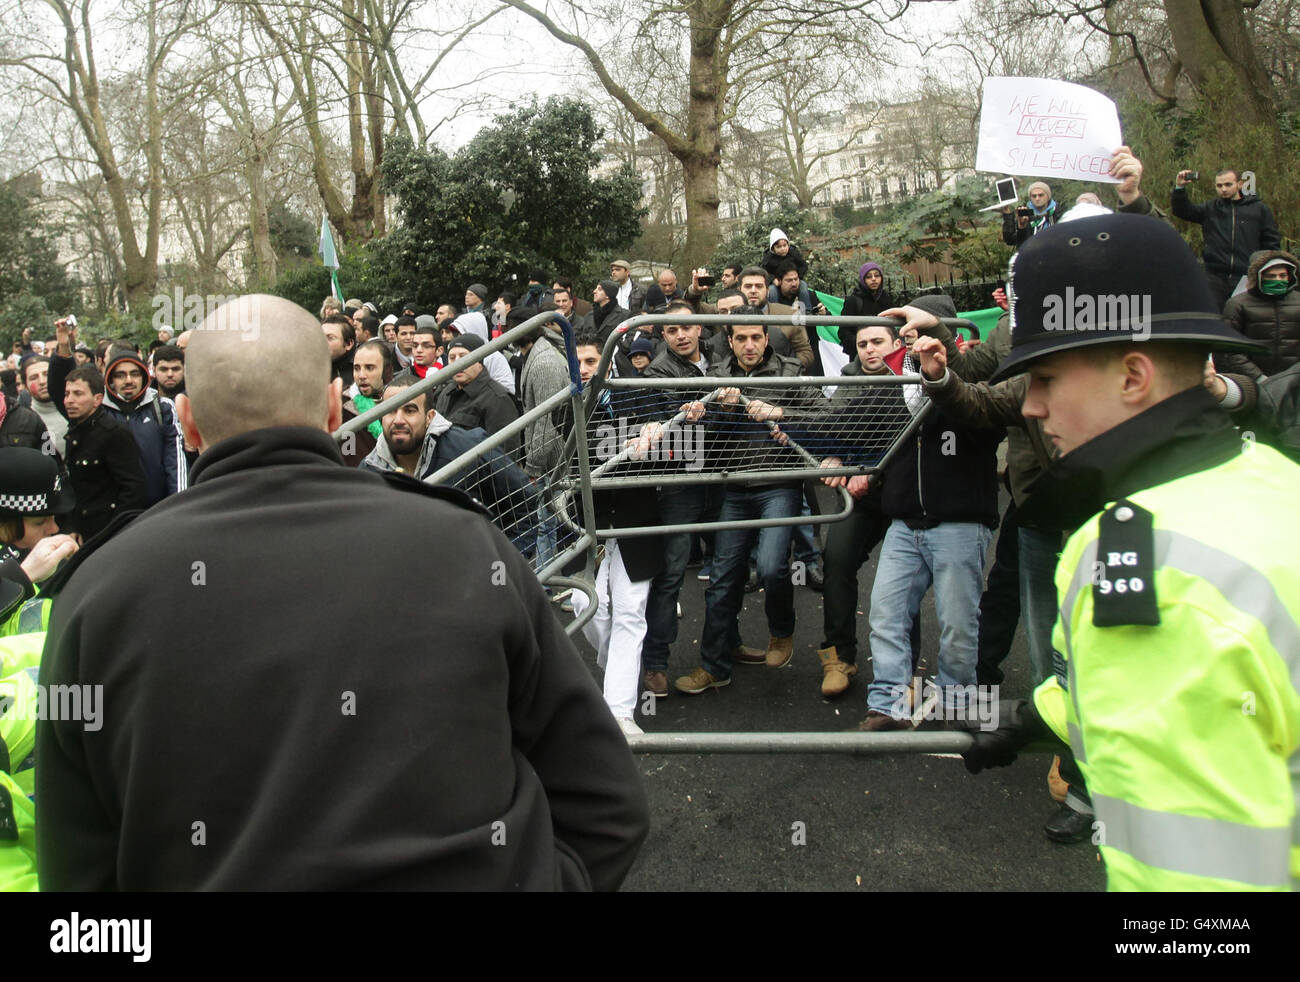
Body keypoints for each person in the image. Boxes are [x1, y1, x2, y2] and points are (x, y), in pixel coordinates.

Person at [35, 294, 648, 891]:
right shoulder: (465, 547)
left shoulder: (95, 596)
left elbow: (75, 876)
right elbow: (607, 804)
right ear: (336, 408)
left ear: (187, 422)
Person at [960, 213, 1300, 891]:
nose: (1030, 407)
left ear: (1134, 377)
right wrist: (1041, 716)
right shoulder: (1267, 477)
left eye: (1047, 378)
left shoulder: (1147, 559)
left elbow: (1194, 894)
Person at [673, 318, 826, 694]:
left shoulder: (789, 370)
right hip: (733, 487)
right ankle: (714, 666)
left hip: (778, 485)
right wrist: (706, 415)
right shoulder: (717, 375)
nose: (749, 344)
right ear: (730, 340)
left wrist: (781, 414)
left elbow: (825, 417)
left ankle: (781, 631)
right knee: (723, 579)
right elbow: (703, 440)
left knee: (774, 567)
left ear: (766, 338)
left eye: (756, 336)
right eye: (740, 338)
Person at [1171, 167, 1280, 311]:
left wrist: (1268, 271)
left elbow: (1271, 242)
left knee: (1243, 319)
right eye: (1219, 185)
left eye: (1228, 184)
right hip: (1214, 277)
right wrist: (1179, 188)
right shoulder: (1210, 208)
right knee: (1214, 317)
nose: (1223, 189)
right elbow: (1182, 211)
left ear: (1239, 184)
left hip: (1246, 277)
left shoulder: (1258, 209)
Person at [1218, 251, 1300, 379]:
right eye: (1271, 276)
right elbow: (1230, 348)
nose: (1278, 280)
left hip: (1292, 382)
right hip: (1251, 381)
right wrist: (1258, 378)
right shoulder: (1237, 304)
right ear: (1258, 277)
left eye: (1282, 275)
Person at [838, 262, 894, 356]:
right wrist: (862, 344)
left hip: (884, 353)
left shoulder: (885, 298)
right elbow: (843, 331)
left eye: (877, 276)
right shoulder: (853, 300)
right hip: (860, 355)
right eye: (868, 277)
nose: (873, 279)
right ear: (863, 279)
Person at [1002, 181, 1057, 247]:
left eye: (1041, 195)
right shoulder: (1025, 214)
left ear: (1048, 196)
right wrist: (1021, 226)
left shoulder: (1057, 211)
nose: (1037, 198)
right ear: (1030, 198)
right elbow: (1010, 240)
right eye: (1034, 196)